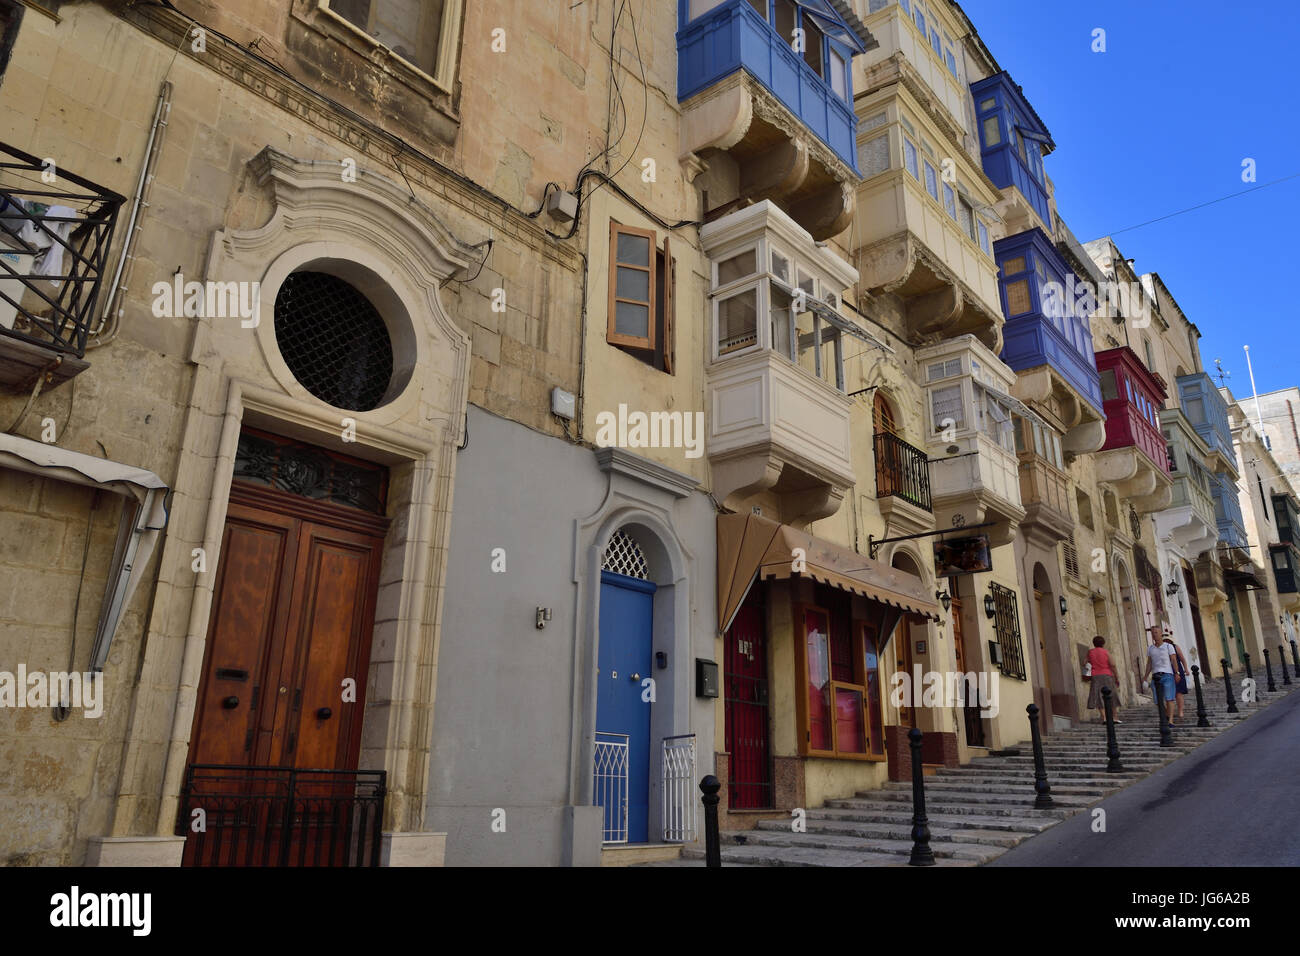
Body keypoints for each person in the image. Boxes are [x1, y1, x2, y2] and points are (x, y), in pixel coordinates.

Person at [1142, 633, 1177, 723]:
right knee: (1157, 700)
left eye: (1157, 633)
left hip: (1167, 674)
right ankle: (1166, 714)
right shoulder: (1150, 648)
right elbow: (1149, 663)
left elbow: (1173, 660)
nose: (1155, 635)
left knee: (1169, 698)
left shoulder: (1168, 646)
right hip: (1156, 676)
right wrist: (1145, 676)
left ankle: (1171, 720)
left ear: (1160, 635)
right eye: (1154, 633)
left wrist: (1176, 673)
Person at [1085, 635, 1121, 723]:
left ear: (1094, 643)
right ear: (1103, 643)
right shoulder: (1106, 652)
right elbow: (1113, 665)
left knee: (1098, 696)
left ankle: (1104, 717)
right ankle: (1115, 717)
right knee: (1111, 695)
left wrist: (1091, 663)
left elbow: (1084, 662)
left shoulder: (1090, 652)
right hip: (1107, 675)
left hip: (1095, 676)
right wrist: (1116, 677)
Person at [1166, 634, 1190, 720]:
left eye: (1167, 640)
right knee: (1168, 694)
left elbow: (1182, 659)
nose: (1166, 641)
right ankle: (1169, 713)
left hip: (1178, 671)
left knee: (1178, 693)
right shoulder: (1163, 648)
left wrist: (1186, 669)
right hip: (1167, 672)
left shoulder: (1175, 647)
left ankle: (1180, 711)